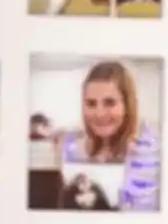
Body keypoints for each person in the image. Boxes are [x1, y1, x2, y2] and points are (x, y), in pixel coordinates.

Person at [58, 60, 161, 211]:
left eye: (110, 103)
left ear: (127, 105)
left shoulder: (151, 153)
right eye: (91, 104)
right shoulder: (73, 151)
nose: (99, 114)